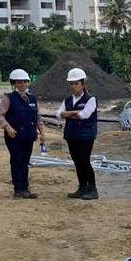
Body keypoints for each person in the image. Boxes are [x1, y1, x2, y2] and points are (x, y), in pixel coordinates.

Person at [0, 68, 44, 199]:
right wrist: (7, 127)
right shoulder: (9, 98)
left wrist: (42, 133)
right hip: (14, 136)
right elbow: (0, 115)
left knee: (25, 161)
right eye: (19, 82)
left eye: (25, 82)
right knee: (17, 160)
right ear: (14, 84)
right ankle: (18, 189)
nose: (22, 85)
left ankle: (25, 188)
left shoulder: (33, 99)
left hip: (29, 135)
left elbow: (37, 117)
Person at [57, 67, 99, 200]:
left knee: (84, 161)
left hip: (86, 136)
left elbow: (84, 115)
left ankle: (92, 189)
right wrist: (73, 113)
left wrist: (67, 114)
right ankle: (82, 187)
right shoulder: (68, 100)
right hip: (71, 135)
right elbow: (58, 114)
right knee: (77, 161)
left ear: (83, 84)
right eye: (71, 84)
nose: (73, 86)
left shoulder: (91, 99)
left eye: (76, 83)